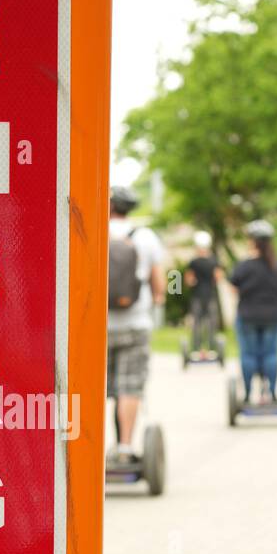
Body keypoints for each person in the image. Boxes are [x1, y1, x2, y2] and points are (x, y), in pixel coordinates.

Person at [107, 186, 166, 459]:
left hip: (97, 328)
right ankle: (125, 447)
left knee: (93, 389)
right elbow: (159, 285)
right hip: (135, 324)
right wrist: (156, 299)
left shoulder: (92, 229)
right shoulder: (145, 236)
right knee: (130, 387)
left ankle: (89, 449)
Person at [229, 220, 277, 402]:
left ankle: (248, 394)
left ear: (252, 241)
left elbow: (233, 289)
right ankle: (272, 393)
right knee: (271, 353)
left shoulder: (243, 267)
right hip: (273, 315)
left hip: (248, 316)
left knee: (249, 354)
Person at [184, 230, 223, 356]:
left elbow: (189, 280)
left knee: (196, 324)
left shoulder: (193, 262)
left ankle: (195, 349)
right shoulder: (214, 261)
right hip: (210, 296)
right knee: (212, 324)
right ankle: (212, 349)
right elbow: (218, 278)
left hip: (197, 296)